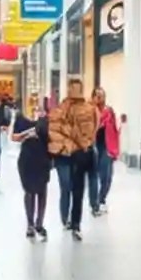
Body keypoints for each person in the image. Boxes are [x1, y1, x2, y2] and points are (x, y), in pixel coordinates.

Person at [48, 78, 98, 240]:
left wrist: (86, 143)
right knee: (66, 186)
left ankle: (75, 222)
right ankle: (66, 219)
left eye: (76, 88)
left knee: (77, 189)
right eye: (71, 88)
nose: (73, 92)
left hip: (79, 153)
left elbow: (92, 130)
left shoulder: (89, 109)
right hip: (64, 154)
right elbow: (56, 127)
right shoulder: (60, 109)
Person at [11, 108, 52, 240]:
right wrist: (26, 135)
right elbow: (14, 137)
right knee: (29, 190)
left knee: (42, 190)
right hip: (27, 158)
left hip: (43, 158)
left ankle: (39, 222)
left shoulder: (46, 119)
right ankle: (30, 224)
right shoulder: (20, 118)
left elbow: (51, 137)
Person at [90, 86, 121, 215]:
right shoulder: (89, 111)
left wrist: (115, 149)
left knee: (107, 177)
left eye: (102, 95)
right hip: (94, 146)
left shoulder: (109, 111)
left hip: (107, 147)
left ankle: (101, 199)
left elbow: (114, 130)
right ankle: (95, 202)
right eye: (97, 95)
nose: (100, 97)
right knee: (95, 176)